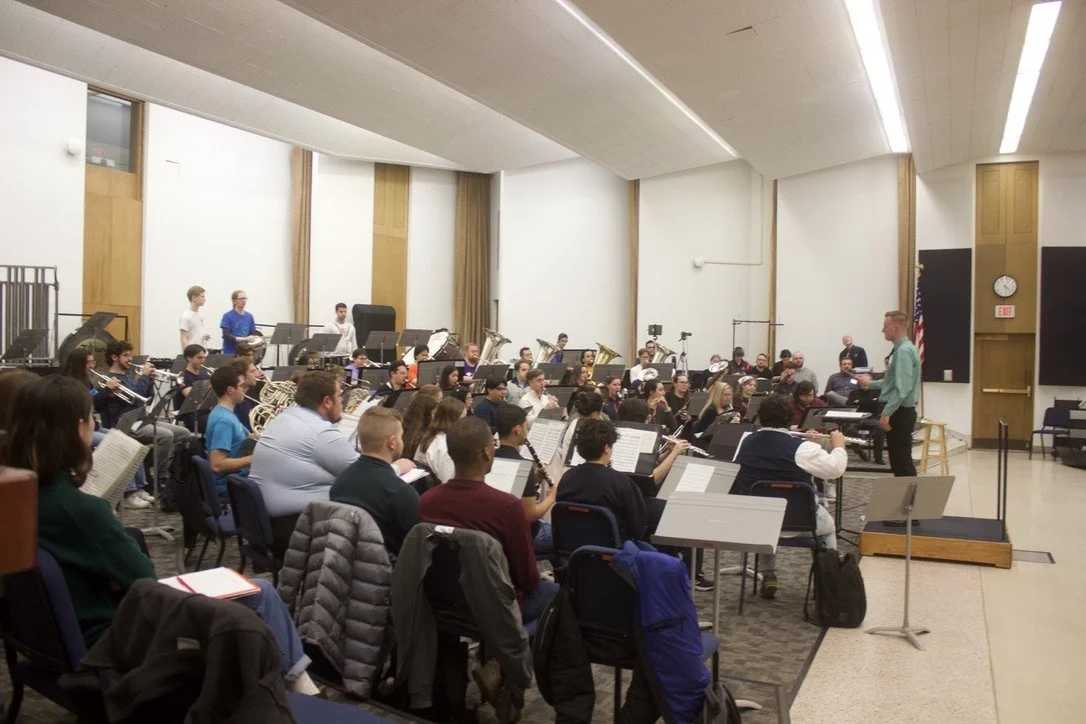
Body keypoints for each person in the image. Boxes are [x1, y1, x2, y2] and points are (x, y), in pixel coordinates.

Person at [1, 374, 321, 694]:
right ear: (78, 427)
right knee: (260, 591)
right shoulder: (79, 509)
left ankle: (288, 688)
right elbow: (146, 581)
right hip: (114, 639)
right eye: (90, 418)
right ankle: (303, 695)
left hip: (51, 635)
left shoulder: (18, 493)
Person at [419, 416, 559, 623]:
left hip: (445, 601)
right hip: (497, 605)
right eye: (492, 445)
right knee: (560, 593)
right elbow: (528, 579)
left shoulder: (426, 500)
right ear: (486, 452)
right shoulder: (507, 507)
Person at [732, 394, 844, 599]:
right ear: (791, 420)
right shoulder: (803, 449)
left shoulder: (746, 442)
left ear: (760, 418)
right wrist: (838, 445)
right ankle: (826, 581)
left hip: (754, 523)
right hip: (799, 523)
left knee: (767, 507)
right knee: (828, 529)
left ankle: (769, 574)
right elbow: (835, 469)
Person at [248, 371, 359, 557]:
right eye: (340, 396)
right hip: (294, 528)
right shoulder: (319, 431)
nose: (343, 402)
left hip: (268, 522)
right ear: (327, 401)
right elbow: (363, 474)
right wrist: (398, 466)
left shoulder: (286, 417)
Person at [99, 340, 193, 496]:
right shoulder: (110, 380)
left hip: (143, 420)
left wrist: (149, 381)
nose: (130, 359)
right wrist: (144, 377)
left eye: (131, 355)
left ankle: (172, 473)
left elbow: (146, 396)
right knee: (166, 436)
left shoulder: (128, 376)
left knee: (184, 433)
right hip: (126, 425)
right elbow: (135, 399)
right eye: (126, 355)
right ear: (114, 357)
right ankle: (160, 479)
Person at [60, 350, 151, 509]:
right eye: (88, 362)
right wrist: (106, 391)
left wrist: (109, 393)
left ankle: (140, 486)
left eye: (92, 362)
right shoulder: (70, 383)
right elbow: (86, 405)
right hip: (77, 431)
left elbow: (97, 405)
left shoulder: (86, 381)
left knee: (128, 441)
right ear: (78, 364)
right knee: (116, 444)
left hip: (93, 426)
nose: (92, 366)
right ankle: (128, 493)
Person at [331, 406, 420, 559]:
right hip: (385, 573)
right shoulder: (401, 494)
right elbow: (415, 550)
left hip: (341, 568)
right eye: (401, 436)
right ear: (392, 442)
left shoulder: (340, 482)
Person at [557, 419, 648, 542]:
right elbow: (637, 528)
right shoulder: (621, 481)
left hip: (571, 546)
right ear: (606, 448)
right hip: (612, 550)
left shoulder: (567, 477)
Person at [858, 310, 920, 477]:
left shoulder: (903, 352)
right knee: (898, 462)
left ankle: (910, 501)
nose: (882, 330)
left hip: (899, 412)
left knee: (902, 463)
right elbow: (892, 382)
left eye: (885, 326)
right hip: (899, 410)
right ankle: (905, 500)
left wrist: (886, 413)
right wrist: (869, 383)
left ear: (896, 327)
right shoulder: (902, 349)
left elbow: (903, 388)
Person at [495, 404, 557, 559]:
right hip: (523, 535)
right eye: (526, 427)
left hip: (497, 528)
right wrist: (551, 497)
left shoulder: (490, 459)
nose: (526, 431)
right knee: (566, 536)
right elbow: (530, 515)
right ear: (517, 430)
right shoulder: (521, 466)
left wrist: (533, 479)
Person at [205, 366, 254, 496]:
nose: (245, 390)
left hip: (237, 480)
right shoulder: (224, 421)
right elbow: (217, 464)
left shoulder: (226, 413)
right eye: (242, 386)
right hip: (230, 487)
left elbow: (249, 437)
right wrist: (253, 458)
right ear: (230, 390)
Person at [414, 396, 467, 483]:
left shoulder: (429, 437)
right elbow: (447, 483)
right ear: (452, 419)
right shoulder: (447, 447)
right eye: (463, 418)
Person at [847, 376, 885, 465]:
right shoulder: (853, 393)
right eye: (862, 381)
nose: (864, 383)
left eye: (866, 381)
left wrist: (860, 402)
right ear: (859, 383)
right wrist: (870, 402)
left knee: (880, 428)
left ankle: (878, 457)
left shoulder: (877, 392)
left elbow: (878, 405)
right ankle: (860, 452)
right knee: (849, 430)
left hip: (871, 418)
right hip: (856, 418)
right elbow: (849, 405)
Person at [174, 344, 210, 431]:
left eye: (203, 358)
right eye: (199, 358)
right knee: (214, 425)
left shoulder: (204, 376)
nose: (203, 361)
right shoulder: (182, 376)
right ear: (189, 358)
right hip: (189, 415)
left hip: (204, 411)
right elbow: (190, 394)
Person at [220, 289, 259, 356]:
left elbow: (252, 333)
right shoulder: (227, 316)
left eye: (245, 298)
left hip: (244, 353)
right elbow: (226, 335)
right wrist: (244, 339)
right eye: (241, 299)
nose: (243, 301)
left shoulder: (249, 316)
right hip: (230, 352)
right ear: (234, 301)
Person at [402, 392, 440, 460]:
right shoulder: (423, 438)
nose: (437, 417)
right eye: (434, 414)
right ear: (425, 415)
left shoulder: (403, 428)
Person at [232, 358, 261, 432]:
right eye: (252, 372)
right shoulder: (235, 399)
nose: (257, 374)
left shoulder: (254, 388)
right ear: (241, 375)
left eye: (255, 370)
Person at [179, 285, 211, 351]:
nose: (205, 299)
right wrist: (188, 355)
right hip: (193, 355)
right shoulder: (185, 316)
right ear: (194, 298)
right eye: (202, 296)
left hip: (201, 353)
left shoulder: (200, 315)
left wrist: (204, 336)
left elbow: (195, 333)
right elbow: (183, 338)